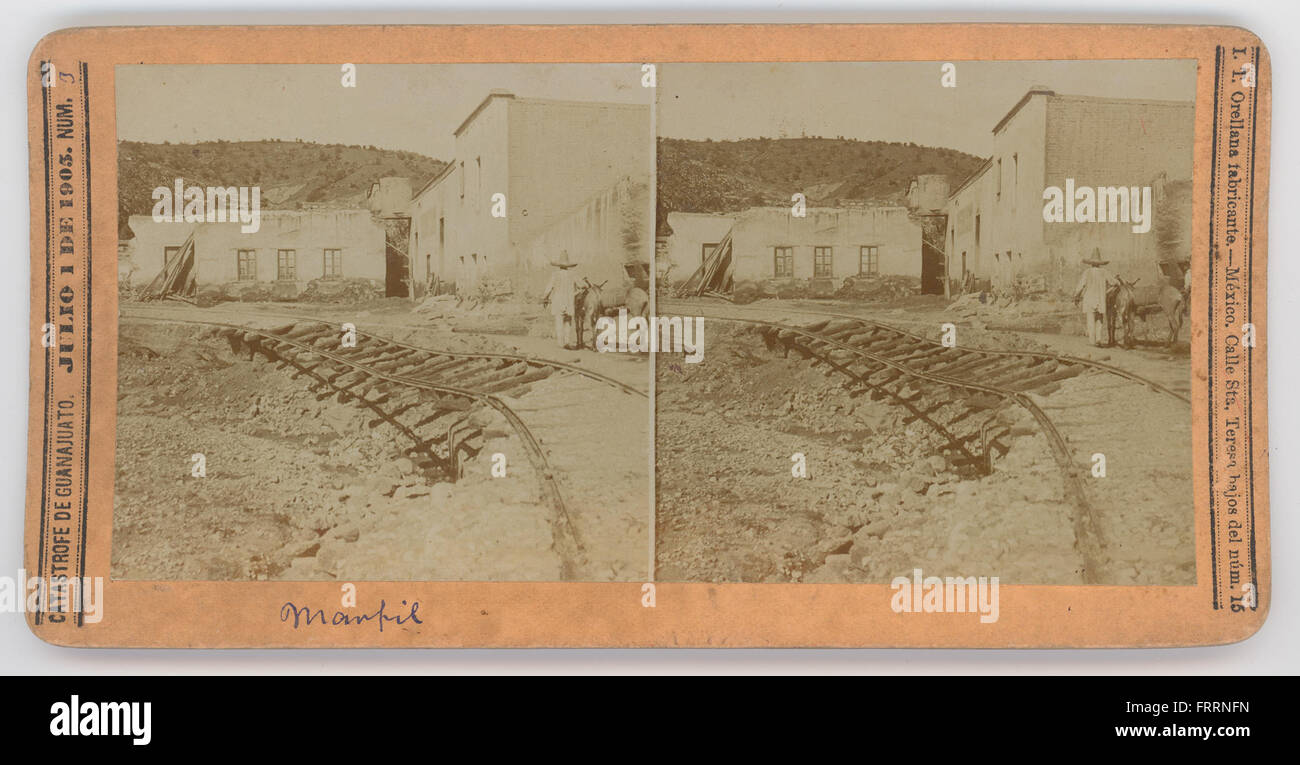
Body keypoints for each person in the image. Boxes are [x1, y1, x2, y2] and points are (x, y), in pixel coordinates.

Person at [1074, 248, 1116, 347]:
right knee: (1099, 320)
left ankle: (1092, 341)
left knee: (1090, 320)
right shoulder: (1104, 272)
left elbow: (1080, 286)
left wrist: (1076, 296)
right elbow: (1114, 283)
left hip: (1089, 300)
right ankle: (1098, 339)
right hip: (1100, 299)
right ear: (1100, 263)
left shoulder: (1087, 272)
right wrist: (1108, 290)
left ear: (1091, 263)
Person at [542, 250, 578, 349]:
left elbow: (549, 287)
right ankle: (567, 342)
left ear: (559, 265)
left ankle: (560, 343)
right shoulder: (572, 274)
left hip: (558, 301)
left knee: (559, 322)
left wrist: (544, 297)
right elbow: (581, 286)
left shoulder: (555, 274)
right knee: (568, 322)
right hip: (569, 301)